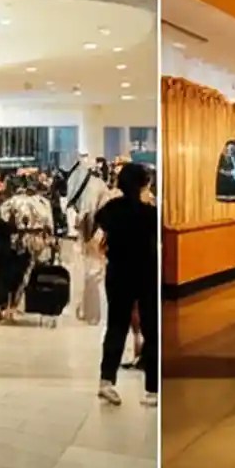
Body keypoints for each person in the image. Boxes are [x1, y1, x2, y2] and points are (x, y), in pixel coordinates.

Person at [94, 163, 158, 407]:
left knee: (116, 326)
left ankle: (106, 381)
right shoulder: (149, 213)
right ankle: (152, 388)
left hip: (118, 273)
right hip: (144, 273)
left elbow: (99, 229)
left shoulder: (111, 210)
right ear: (143, 184)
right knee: (151, 328)